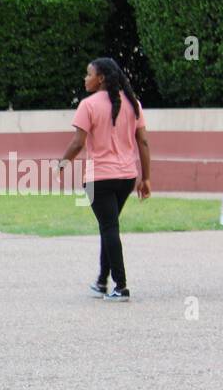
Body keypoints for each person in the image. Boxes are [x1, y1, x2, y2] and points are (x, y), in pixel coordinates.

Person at [58, 57, 152, 301]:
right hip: (127, 177)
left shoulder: (88, 105)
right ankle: (102, 280)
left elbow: (78, 142)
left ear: (100, 78)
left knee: (109, 227)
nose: (85, 78)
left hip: (97, 178)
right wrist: (147, 178)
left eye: (88, 74)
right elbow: (143, 141)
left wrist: (61, 163)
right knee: (108, 226)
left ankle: (120, 286)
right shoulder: (133, 104)